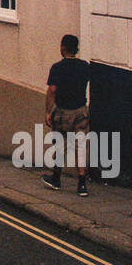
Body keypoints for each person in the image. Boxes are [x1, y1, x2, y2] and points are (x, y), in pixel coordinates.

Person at [42, 34, 90, 196]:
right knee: (80, 146)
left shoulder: (57, 68)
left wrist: (48, 111)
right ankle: (82, 185)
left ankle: (56, 179)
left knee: (60, 145)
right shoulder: (85, 66)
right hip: (81, 111)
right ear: (76, 49)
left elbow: (52, 90)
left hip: (62, 112)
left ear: (63, 48)